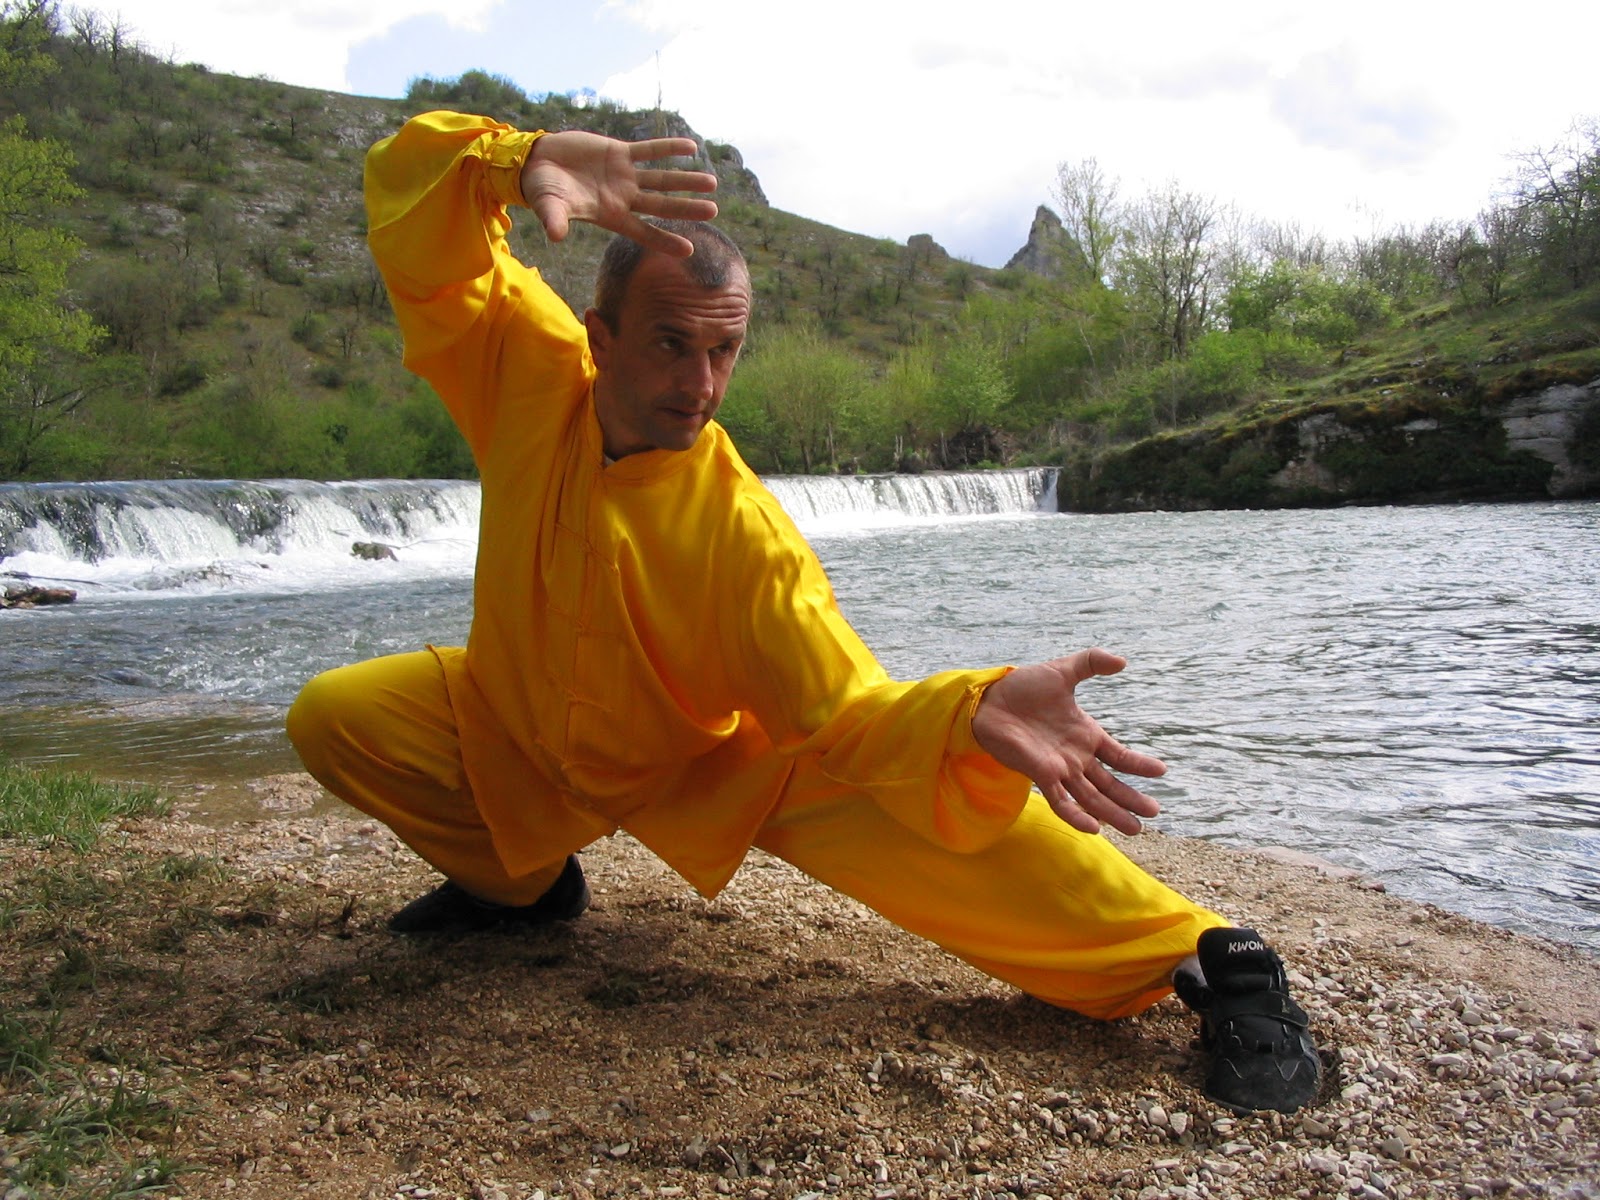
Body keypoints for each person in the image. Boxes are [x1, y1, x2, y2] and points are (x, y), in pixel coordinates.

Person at [285, 110, 1321, 1115]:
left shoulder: (747, 540)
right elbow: (412, 221)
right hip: (519, 716)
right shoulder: (524, 368)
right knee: (336, 718)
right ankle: (520, 892)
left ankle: (1206, 957)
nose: (699, 383)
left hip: (701, 762)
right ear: (598, 335)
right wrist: (515, 161)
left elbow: (852, 712)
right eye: (670, 343)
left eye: (723, 351)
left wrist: (972, 709)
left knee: (908, 799)